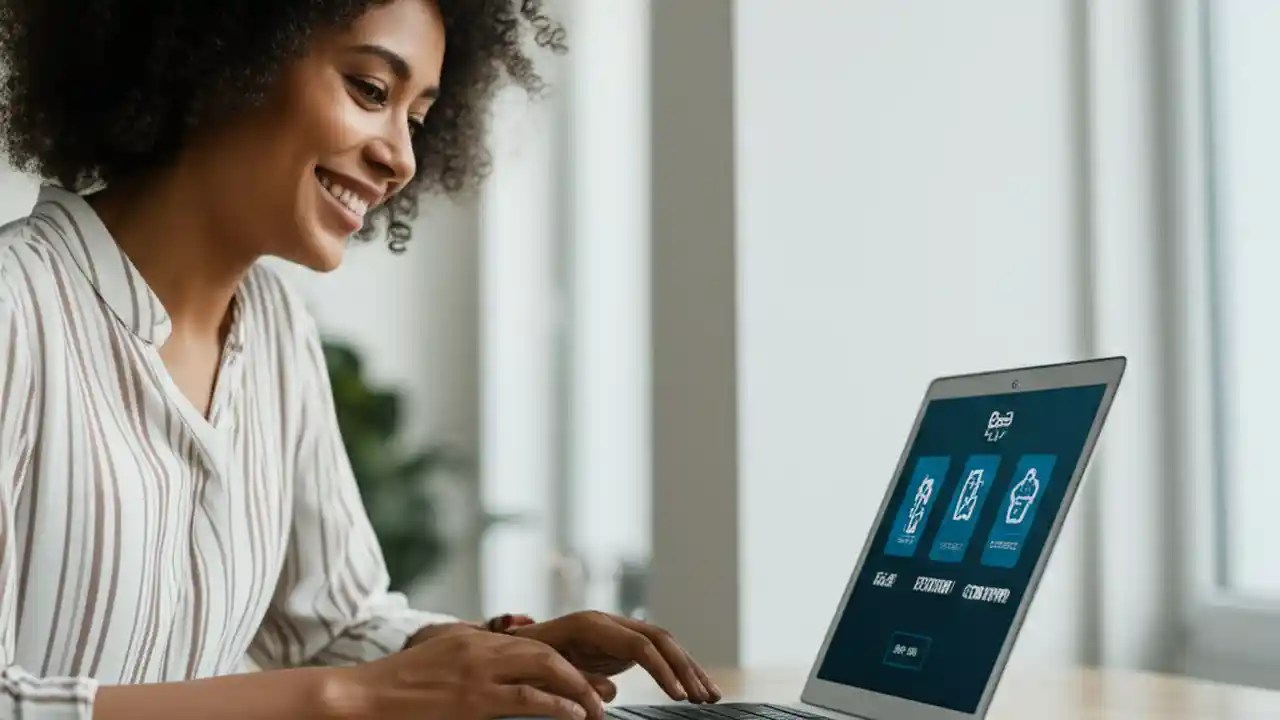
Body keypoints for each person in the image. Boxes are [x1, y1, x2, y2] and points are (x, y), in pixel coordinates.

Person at [0, 1, 720, 718]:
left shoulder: (276, 331)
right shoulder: (16, 310)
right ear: (218, 61)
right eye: (371, 91)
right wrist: (350, 698)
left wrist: (505, 655)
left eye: (415, 121)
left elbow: (335, 624)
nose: (400, 159)